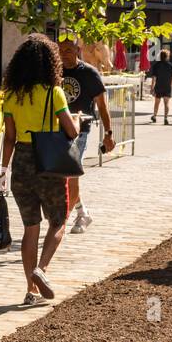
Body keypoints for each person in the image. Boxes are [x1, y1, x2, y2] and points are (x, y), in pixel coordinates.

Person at [0, 35, 80, 305]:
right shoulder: (53, 93)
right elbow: (71, 130)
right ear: (50, 63)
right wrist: (77, 119)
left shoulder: (10, 95)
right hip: (49, 162)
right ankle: (41, 269)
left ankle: (30, 291)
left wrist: (4, 169)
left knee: (30, 227)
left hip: (20, 160)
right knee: (58, 220)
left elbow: (9, 137)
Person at [56, 38, 116, 234]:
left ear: (77, 50)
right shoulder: (55, 71)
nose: (64, 53)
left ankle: (61, 223)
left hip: (80, 132)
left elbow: (102, 105)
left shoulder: (89, 73)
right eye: (61, 50)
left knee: (71, 176)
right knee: (60, 177)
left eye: (68, 49)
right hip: (56, 130)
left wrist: (108, 134)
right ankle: (82, 213)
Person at [147, 49, 172, 125]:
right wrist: (171, 85)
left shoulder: (156, 65)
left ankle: (154, 116)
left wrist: (152, 87)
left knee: (157, 102)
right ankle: (166, 118)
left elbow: (154, 77)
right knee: (166, 103)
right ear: (167, 56)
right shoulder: (170, 65)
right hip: (167, 86)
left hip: (158, 86)